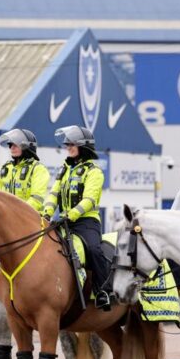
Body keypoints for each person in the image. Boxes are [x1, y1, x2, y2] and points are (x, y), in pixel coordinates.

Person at [43, 125, 112, 310]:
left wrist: (70, 214)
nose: (68, 147)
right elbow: (53, 194)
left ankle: (103, 292)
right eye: (67, 144)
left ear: (84, 146)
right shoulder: (64, 170)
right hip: (63, 222)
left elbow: (89, 199)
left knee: (95, 250)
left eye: (72, 144)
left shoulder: (94, 171)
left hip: (86, 222)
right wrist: (47, 212)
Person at [0, 128, 50, 211]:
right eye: (10, 145)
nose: (12, 148)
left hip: (29, 219)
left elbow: (36, 200)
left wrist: (16, 212)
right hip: (6, 218)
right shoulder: (5, 168)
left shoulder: (38, 169)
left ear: (27, 146)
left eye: (15, 144)